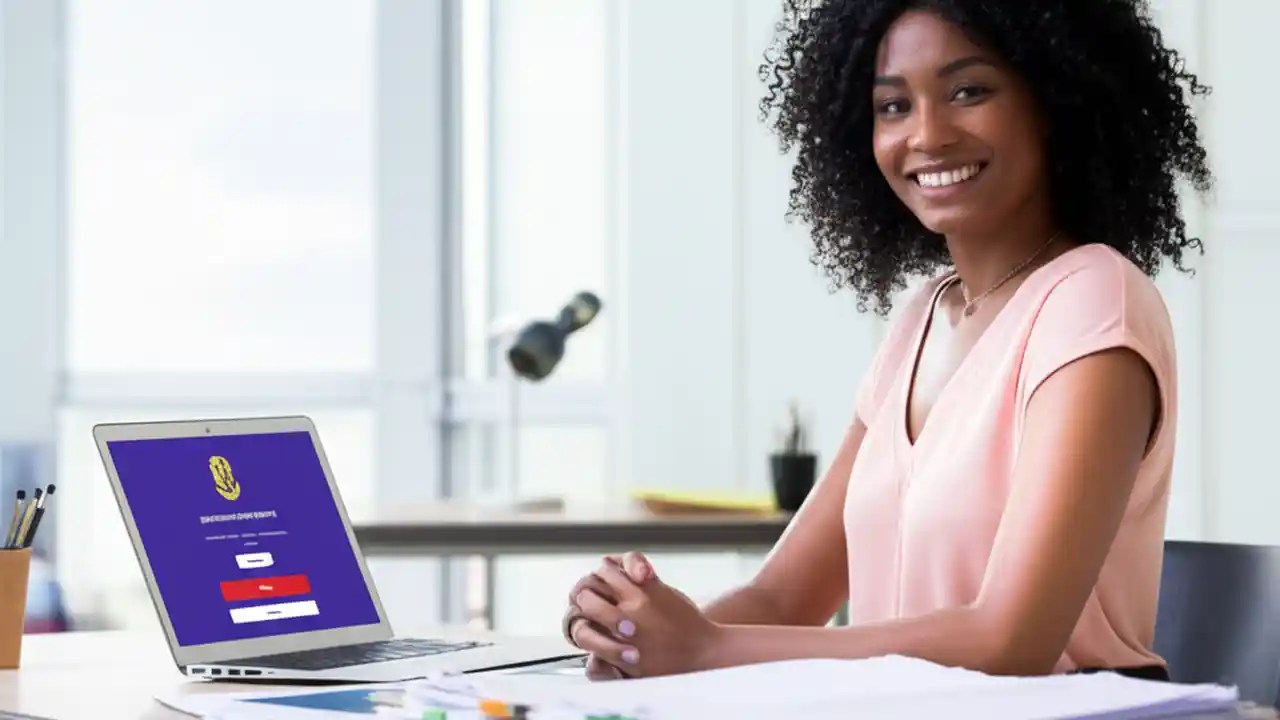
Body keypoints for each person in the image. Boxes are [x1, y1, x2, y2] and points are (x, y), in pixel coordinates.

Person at [562, 0, 1214, 681]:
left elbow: (1009, 639)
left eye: (969, 91)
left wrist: (705, 650)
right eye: (893, 106)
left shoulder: (1091, 302)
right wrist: (638, 634)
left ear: (1054, 100)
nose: (927, 134)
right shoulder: (921, 320)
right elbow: (781, 597)